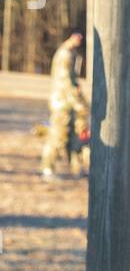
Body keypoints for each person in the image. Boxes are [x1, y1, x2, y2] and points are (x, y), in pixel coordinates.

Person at [41, 31, 89, 180]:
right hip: (62, 103)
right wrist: (79, 103)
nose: (80, 39)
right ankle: (47, 169)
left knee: (74, 137)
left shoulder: (70, 53)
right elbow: (66, 83)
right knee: (57, 135)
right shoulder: (65, 55)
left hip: (67, 103)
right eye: (77, 36)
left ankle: (76, 169)